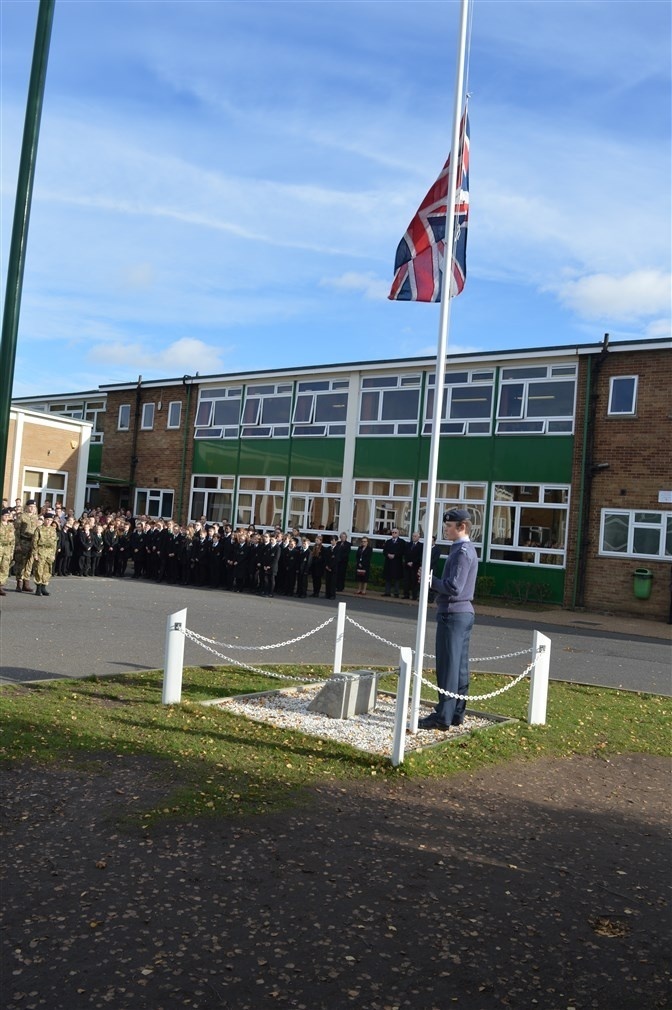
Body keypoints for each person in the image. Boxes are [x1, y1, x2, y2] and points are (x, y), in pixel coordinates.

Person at [418, 508, 478, 731]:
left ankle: (443, 716)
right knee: (458, 666)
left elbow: (454, 587)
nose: (445, 528)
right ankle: (455, 713)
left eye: (449, 525)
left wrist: (431, 580)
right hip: (460, 613)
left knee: (448, 666)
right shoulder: (463, 549)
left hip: (453, 613)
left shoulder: (462, 552)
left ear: (461, 526)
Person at [14, 499, 39, 592]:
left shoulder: (36, 517)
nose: (32, 508)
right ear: (27, 507)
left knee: (29, 563)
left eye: (34, 507)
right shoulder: (21, 517)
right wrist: (17, 544)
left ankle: (26, 583)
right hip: (23, 541)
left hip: (32, 543)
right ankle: (19, 584)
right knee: (20, 563)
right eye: (30, 506)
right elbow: (16, 531)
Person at [32, 512, 59, 596]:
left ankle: (44, 587)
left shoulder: (53, 530)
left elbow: (54, 543)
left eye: (50, 520)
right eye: (47, 520)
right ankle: (38, 588)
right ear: (44, 520)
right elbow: (34, 542)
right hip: (41, 550)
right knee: (39, 569)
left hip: (49, 552)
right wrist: (35, 553)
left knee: (47, 570)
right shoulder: (39, 529)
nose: (49, 521)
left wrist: (53, 554)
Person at [382, 529, 405, 597]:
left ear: (398, 533)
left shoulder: (402, 542)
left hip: (397, 563)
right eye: (393, 532)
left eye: (395, 532)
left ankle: (396, 593)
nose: (394, 533)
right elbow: (384, 551)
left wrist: (395, 555)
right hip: (388, 562)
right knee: (388, 578)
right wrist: (388, 554)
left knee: (396, 579)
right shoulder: (388, 542)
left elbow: (402, 552)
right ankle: (387, 592)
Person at [0, 507, 16, 596]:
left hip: (7, 549)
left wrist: (11, 552)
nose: (6, 517)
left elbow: (13, 540)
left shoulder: (10, 526)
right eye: (5, 515)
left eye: (8, 515)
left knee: (5, 568)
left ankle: (1, 586)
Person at [402, 531, 423, 600]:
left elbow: (420, 556)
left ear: (418, 537)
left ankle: (414, 596)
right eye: (413, 536)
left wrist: (413, 562)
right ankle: (406, 594)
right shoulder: (408, 544)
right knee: (406, 580)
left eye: (415, 536)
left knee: (414, 581)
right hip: (407, 565)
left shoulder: (421, 546)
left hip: (415, 566)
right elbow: (405, 554)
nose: (413, 537)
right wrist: (407, 562)